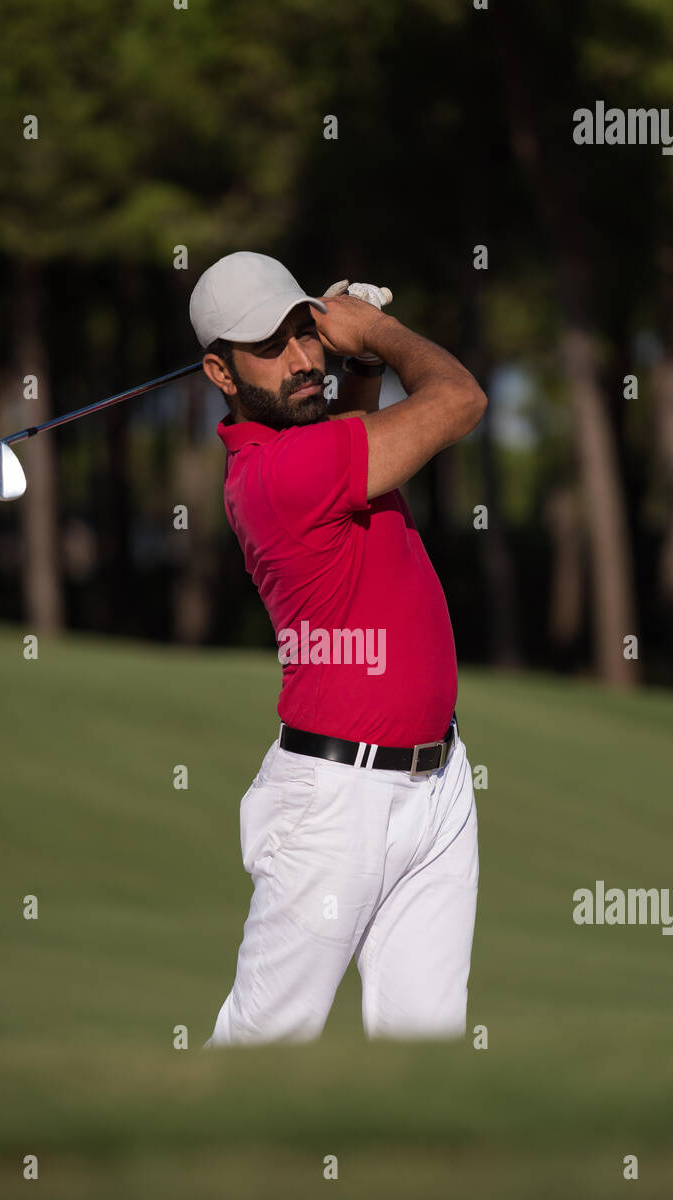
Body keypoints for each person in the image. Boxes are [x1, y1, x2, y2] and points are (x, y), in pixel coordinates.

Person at [189, 251, 487, 1046]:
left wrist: (352, 357)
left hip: (436, 788)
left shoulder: (314, 447)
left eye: (304, 333)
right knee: (261, 1046)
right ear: (219, 372)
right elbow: (460, 400)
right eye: (271, 347)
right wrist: (379, 333)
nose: (299, 360)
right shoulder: (279, 474)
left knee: (424, 1060)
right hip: (333, 806)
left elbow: (351, 426)